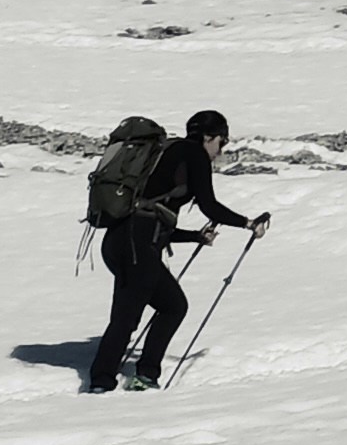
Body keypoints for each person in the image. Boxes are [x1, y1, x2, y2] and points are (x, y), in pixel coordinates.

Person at [90, 106, 264, 390]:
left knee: (164, 307)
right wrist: (248, 223)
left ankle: (126, 376)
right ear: (208, 137)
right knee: (136, 315)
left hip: (118, 241)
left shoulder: (167, 151)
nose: (220, 150)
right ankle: (113, 380)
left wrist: (195, 237)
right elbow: (209, 206)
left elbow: (152, 220)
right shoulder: (193, 154)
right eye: (222, 141)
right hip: (138, 245)